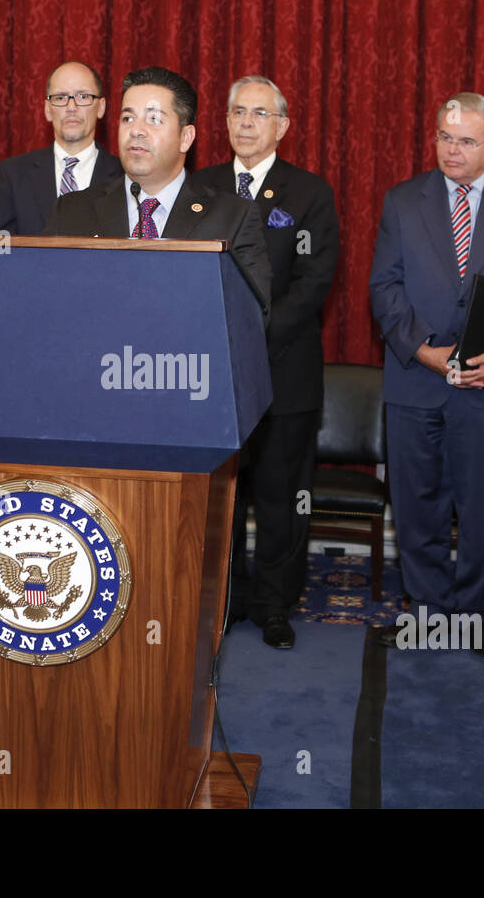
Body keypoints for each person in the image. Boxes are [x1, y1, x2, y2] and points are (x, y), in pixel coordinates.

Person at [368, 92, 484, 642]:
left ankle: (477, 621)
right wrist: (422, 350)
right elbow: (384, 287)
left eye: (466, 141)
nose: (451, 151)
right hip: (416, 379)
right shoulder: (403, 200)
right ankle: (429, 613)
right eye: (444, 138)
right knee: (416, 505)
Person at [192, 75, 338, 649]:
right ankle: (223, 600)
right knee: (222, 497)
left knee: (281, 497)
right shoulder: (198, 187)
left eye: (260, 113)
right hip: (209, 376)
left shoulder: (308, 192)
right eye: (237, 112)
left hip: (284, 371)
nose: (247, 123)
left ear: (281, 125)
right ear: (224, 122)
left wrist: (251, 337)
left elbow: (313, 284)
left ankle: (275, 603)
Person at [42, 65, 271, 314]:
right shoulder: (72, 211)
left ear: (186, 137)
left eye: (154, 119)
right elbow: (48, 305)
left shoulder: (232, 219)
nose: (136, 130)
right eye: (128, 118)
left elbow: (250, 318)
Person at [0, 61, 123, 235]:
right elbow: (0, 249)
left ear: (101, 107)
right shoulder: (14, 175)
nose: (71, 108)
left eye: (82, 96)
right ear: (47, 110)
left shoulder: (125, 176)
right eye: (60, 98)